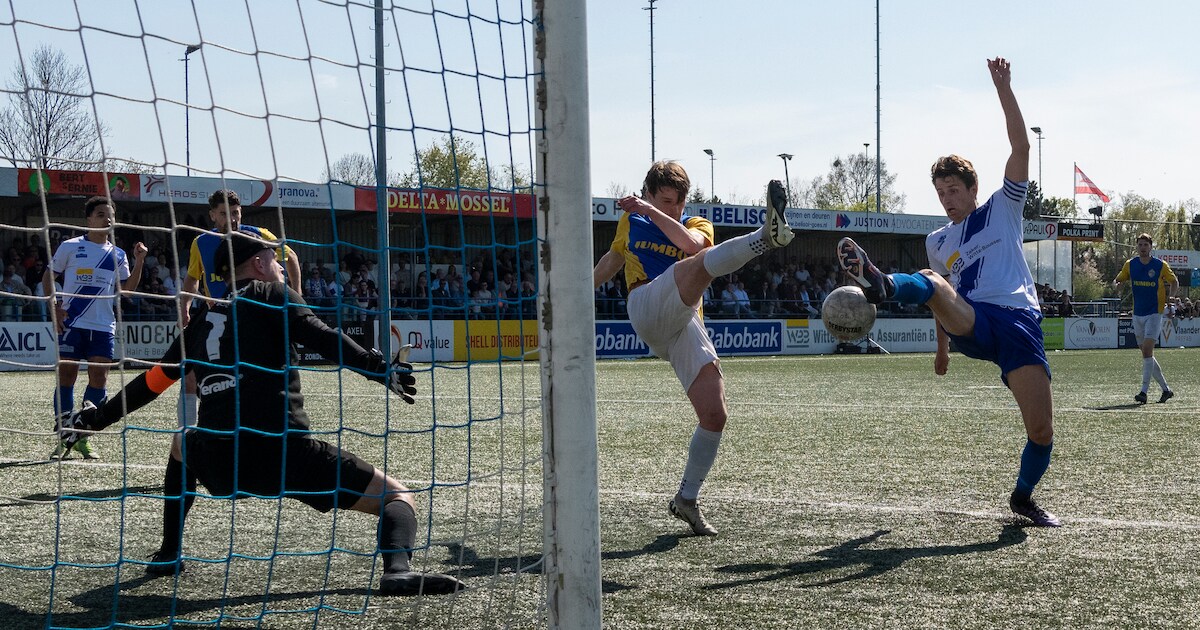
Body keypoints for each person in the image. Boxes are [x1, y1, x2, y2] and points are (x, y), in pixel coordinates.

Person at [56, 233, 465, 595]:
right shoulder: (273, 296)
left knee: (183, 441)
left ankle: (168, 553)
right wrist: (381, 370)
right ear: (257, 264)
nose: (281, 266)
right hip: (284, 454)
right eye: (275, 258)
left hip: (220, 460)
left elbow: (152, 384)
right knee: (397, 496)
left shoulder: (200, 320)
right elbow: (324, 338)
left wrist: (96, 420)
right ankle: (397, 571)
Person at [837, 58, 1060, 527]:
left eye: (954, 189)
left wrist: (1004, 88)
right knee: (932, 279)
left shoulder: (1004, 207)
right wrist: (942, 350)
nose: (947, 199)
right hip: (973, 323)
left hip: (1018, 322)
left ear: (973, 187)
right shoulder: (937, 241)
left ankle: (1022, 497)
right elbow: (939, 299)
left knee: (1041, 432)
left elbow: (1020, 145)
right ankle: (883, 284)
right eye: (941, 193)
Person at [592, 161, 793, 535]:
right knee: (696, 268)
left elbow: (692, 246)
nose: (674, 210)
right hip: (646, 306)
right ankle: (765, 237)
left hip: (684, 322)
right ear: (648, 192)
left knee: (715, 414)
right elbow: (613, 260)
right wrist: (579, 289)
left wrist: (650, 210)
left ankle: (686, 499)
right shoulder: (632, 220)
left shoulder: (696, 224)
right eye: (664, 201)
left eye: (679, 204)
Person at [169, 189, 303, 562]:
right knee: (193, 380)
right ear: (213, 215)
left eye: (238, 209)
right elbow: (192, 280)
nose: (233, 215)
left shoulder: (262, 236)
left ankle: (239, 450)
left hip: (254, 322)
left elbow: (291, 257)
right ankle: (197, 446)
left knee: (254, 384)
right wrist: (186, 308)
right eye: (225, 211)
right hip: (216, 323)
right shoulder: (202, 242)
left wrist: (295, 292)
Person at [45, 196, 147, 459]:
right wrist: (54, 306)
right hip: (72, 323)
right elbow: (49, 277)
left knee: (99, 380)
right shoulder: (70, 247)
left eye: (110, 215)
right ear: (89, 219)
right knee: (66, 376)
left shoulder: (118, 254)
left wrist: (139, 262)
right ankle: (63, 435)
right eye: (101, 214)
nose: (107, 219)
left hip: (103, 326)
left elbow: (127, 291)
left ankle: (83, 437)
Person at [1112, 233, 1177, 403]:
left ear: (1150, 247)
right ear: (1137, 247)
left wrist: (1171, 298)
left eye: (1145, 245)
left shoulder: (1160, 265)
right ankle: (1166, 390)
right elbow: (1117, 280)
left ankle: (1143, 392)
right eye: (1140, 245)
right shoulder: (1130, 265)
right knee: (1146, 354)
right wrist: (1117, 286)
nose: (1142, 248)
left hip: (1155, 312)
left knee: (1147, 351)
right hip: (1137, 313)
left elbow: (1174, 281)